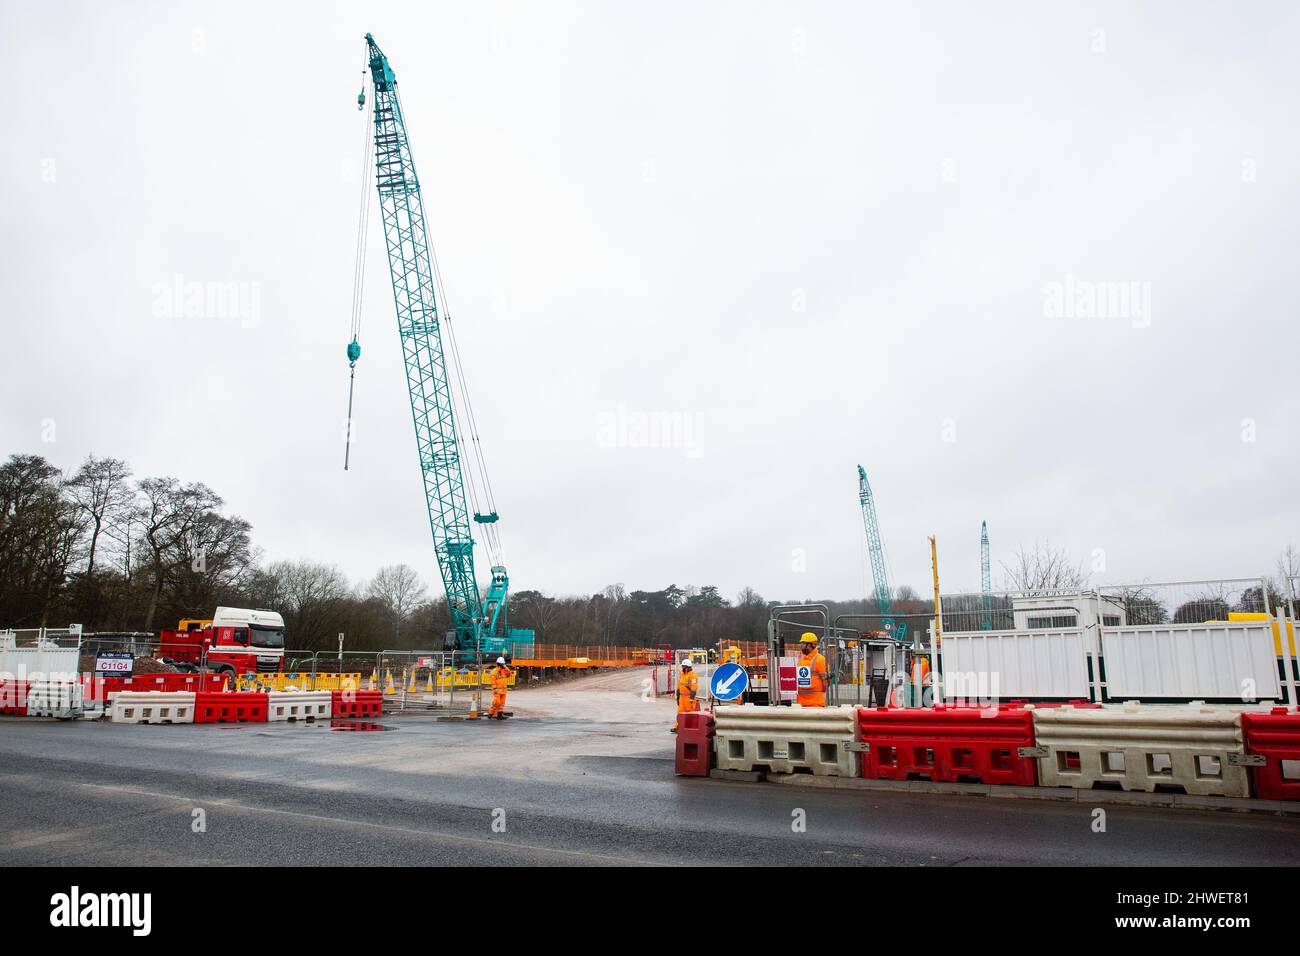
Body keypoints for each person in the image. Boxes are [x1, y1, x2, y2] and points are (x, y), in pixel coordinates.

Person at [795, 632, 828, 708]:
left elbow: (825, 682)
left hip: (816, 703)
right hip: (801, 703)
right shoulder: (801, 660)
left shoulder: (820, 660)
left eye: (803, 643)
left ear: (810, 645)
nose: (801, 646)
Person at [671, 659, 699, 732]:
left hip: (689, 698)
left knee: (689, 713)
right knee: (680, 713)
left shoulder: (693, 676)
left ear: (688, 667)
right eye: (682, 666)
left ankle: (689, 727)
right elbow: (679, 686)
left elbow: (694, 688)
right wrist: (678, 697)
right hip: (682, 698)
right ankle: (678, 727)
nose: (682, 668)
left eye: (683, 666)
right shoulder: (682, 675)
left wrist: (691, 699)